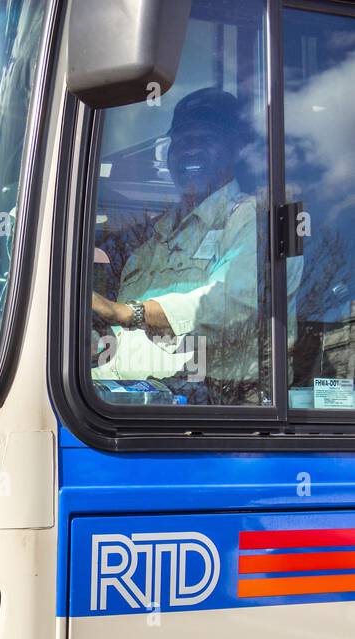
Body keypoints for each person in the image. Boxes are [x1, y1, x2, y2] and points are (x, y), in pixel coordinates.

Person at [92, 88, 302, 405]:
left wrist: (130, 313)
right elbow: (126, 338)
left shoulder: (259, 219)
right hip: (126, 405)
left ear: (235, 150)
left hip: (217, 411)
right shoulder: (153, 238)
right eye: (181, 140)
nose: (189, 149)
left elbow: (237, 301)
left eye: (205, 138)